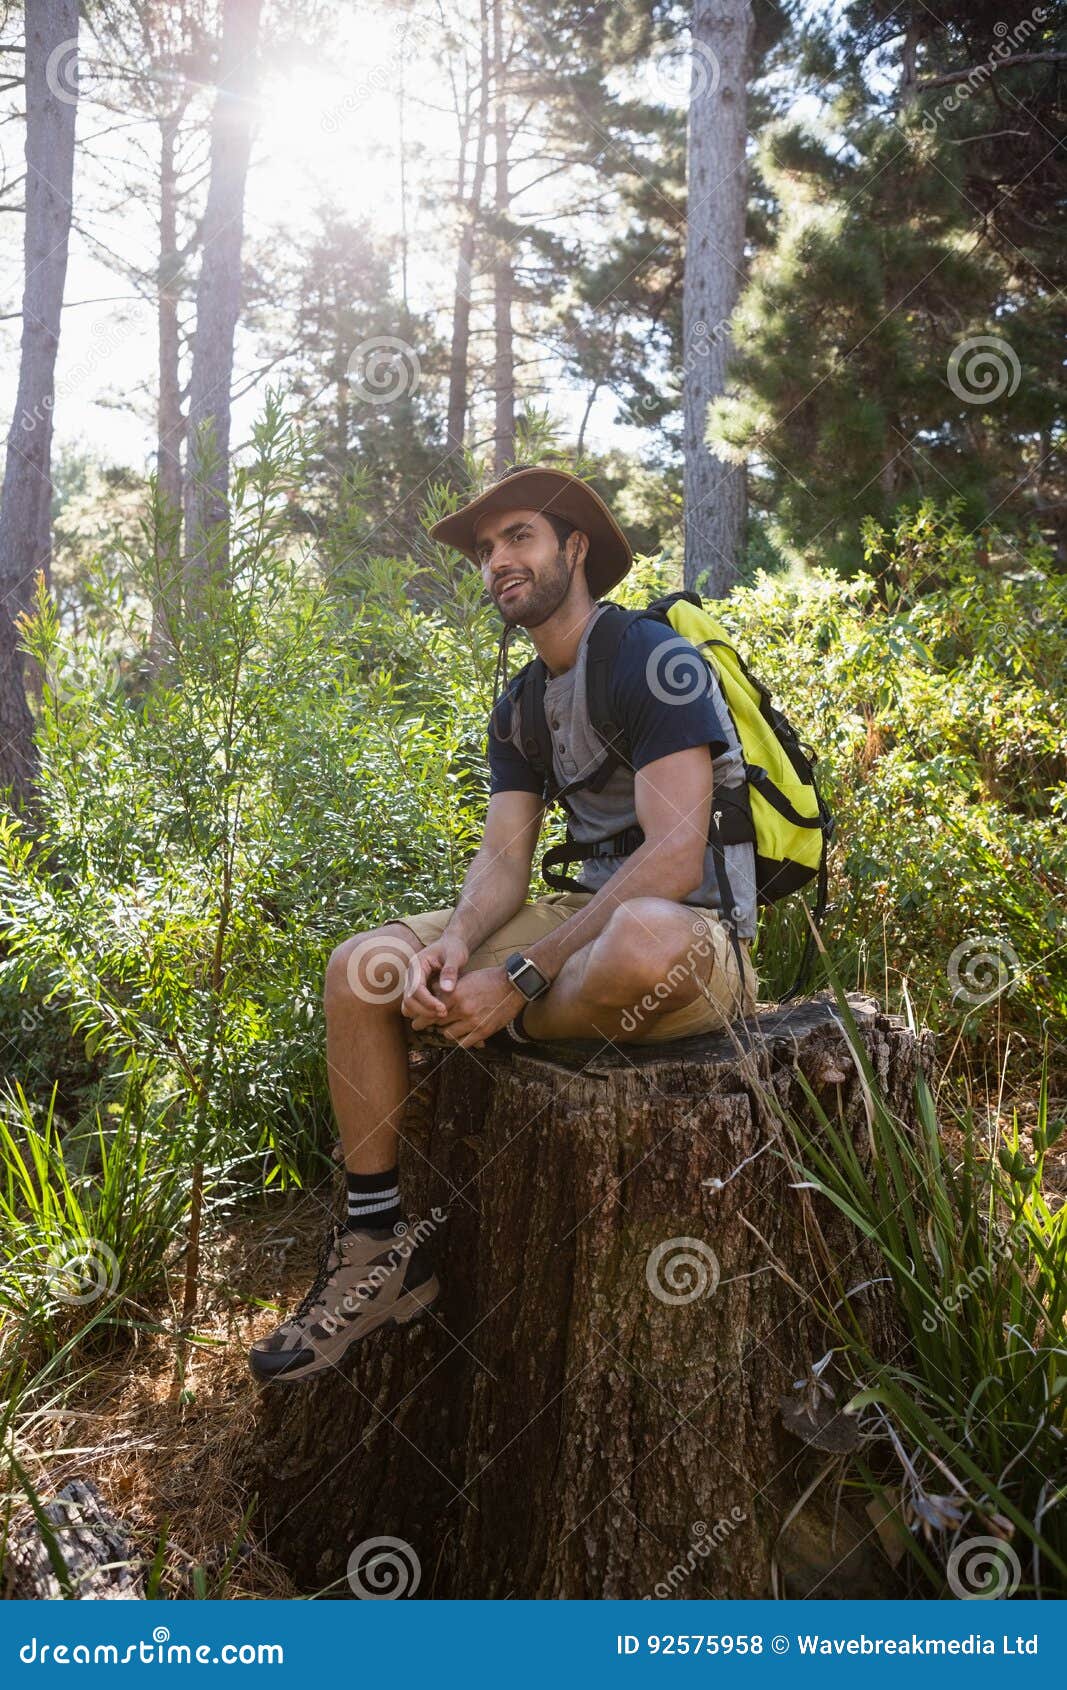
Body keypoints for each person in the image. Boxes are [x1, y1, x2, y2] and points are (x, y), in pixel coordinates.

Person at [248, 464, 759, 1384]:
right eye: (485, 550)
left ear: (574, 549)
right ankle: (377, 1245)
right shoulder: (522, 702)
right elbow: (503, 863)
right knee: (362, 967)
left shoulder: (650, 658)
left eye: (517, 536)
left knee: (639, 935)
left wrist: (515, 980)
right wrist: (450, 944)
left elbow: (675, 860)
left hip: (688, 937)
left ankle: (501, 1021)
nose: (496, 562)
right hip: (579, 926)